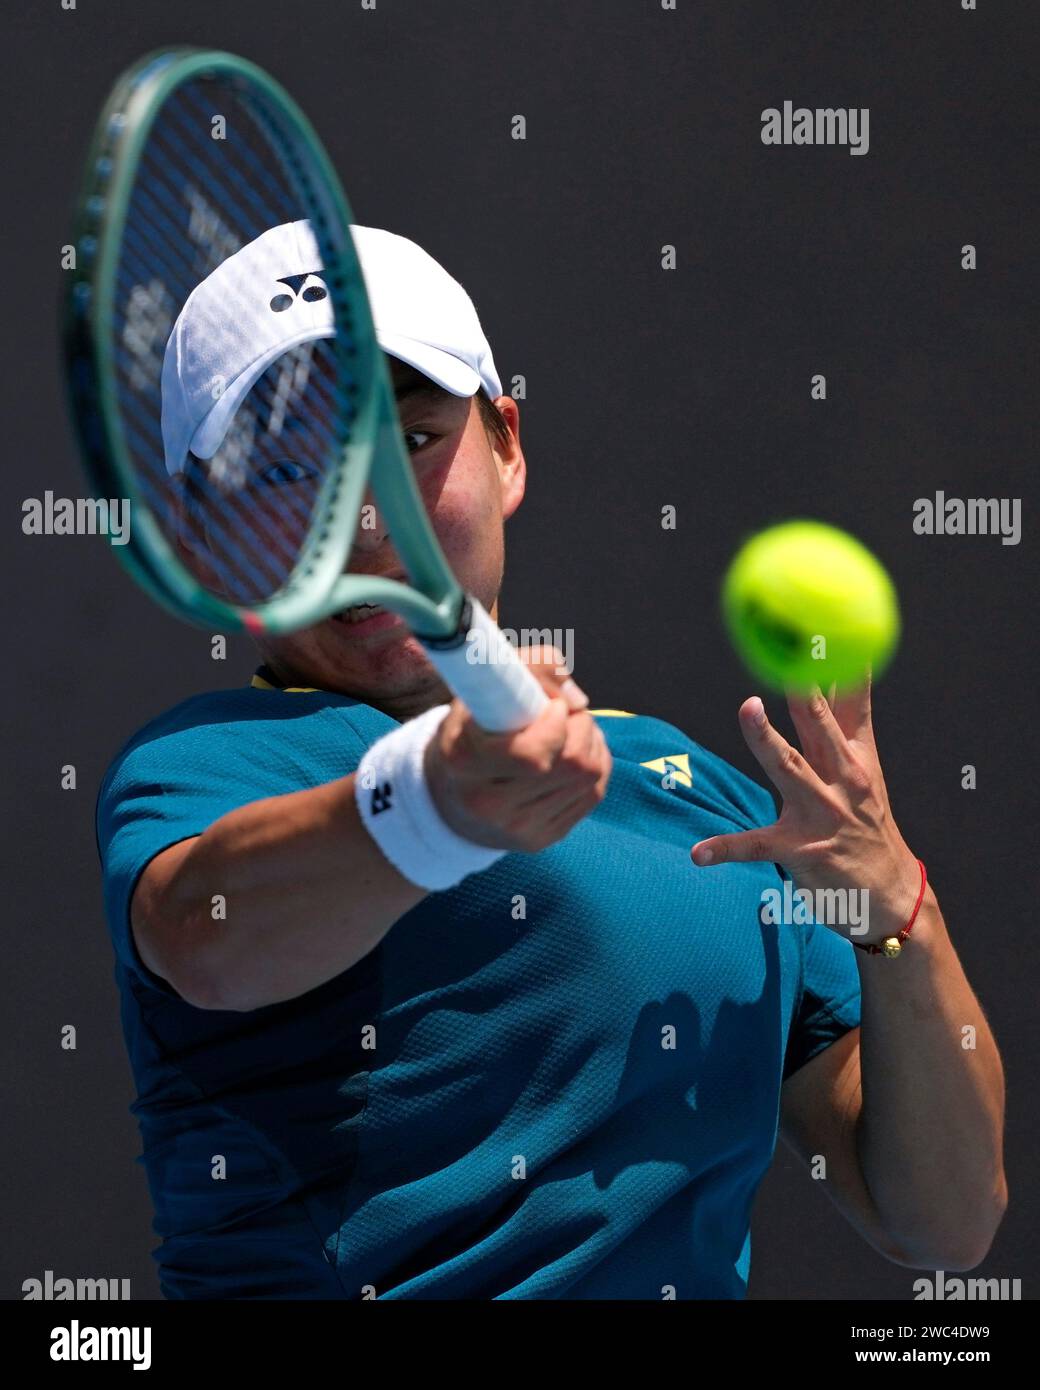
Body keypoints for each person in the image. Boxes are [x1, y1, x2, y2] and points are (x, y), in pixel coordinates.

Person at [97, 224, 1006, 1300]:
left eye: (415, 439)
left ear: (508, 446)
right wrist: (431, 803)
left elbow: (941, 1222)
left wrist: (896, 908)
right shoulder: (207, 766)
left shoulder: (706, 796)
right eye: (292, 468)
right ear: (207, 536)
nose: (369, 517)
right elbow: (206, 934)